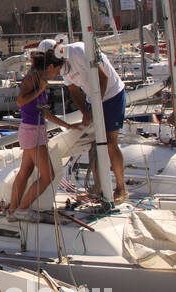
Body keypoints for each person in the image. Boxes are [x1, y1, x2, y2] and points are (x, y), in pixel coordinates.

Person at [50, 37, 129, 203]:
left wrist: (96, 106)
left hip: (112, 94)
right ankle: (98, 188)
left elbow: (103, 77)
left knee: (110, 142)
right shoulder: (62, 66)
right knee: (94, 145)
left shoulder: (80, 51)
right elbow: (73, 89)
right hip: (92, 98)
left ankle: (121, 188)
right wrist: (86, 111)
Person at [7, 46, 74, 220]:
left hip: (36, 130)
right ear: (51, 67)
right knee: (48, 176)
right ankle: (22, 209)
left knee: (25, 173)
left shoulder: (40, 80)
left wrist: (67, 125)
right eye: (58, 70)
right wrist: (39, 90)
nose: (57, 74)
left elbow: (46, 113)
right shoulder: (33, 79)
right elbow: (21, 102)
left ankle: (12, 211)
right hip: (32, 131)